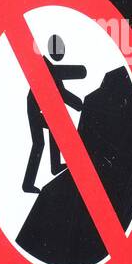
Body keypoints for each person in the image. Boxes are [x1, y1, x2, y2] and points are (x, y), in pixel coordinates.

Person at [22, 35, 86, 194]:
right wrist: (80, 105)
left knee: (55, 128)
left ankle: (55, 166)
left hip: (41, 109)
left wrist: (80, 106)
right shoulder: (47, 69)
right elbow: (64, 80)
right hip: (35, 109)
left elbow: (63, 93)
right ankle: (27, 184)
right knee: (39, 143)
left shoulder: (53, 73)